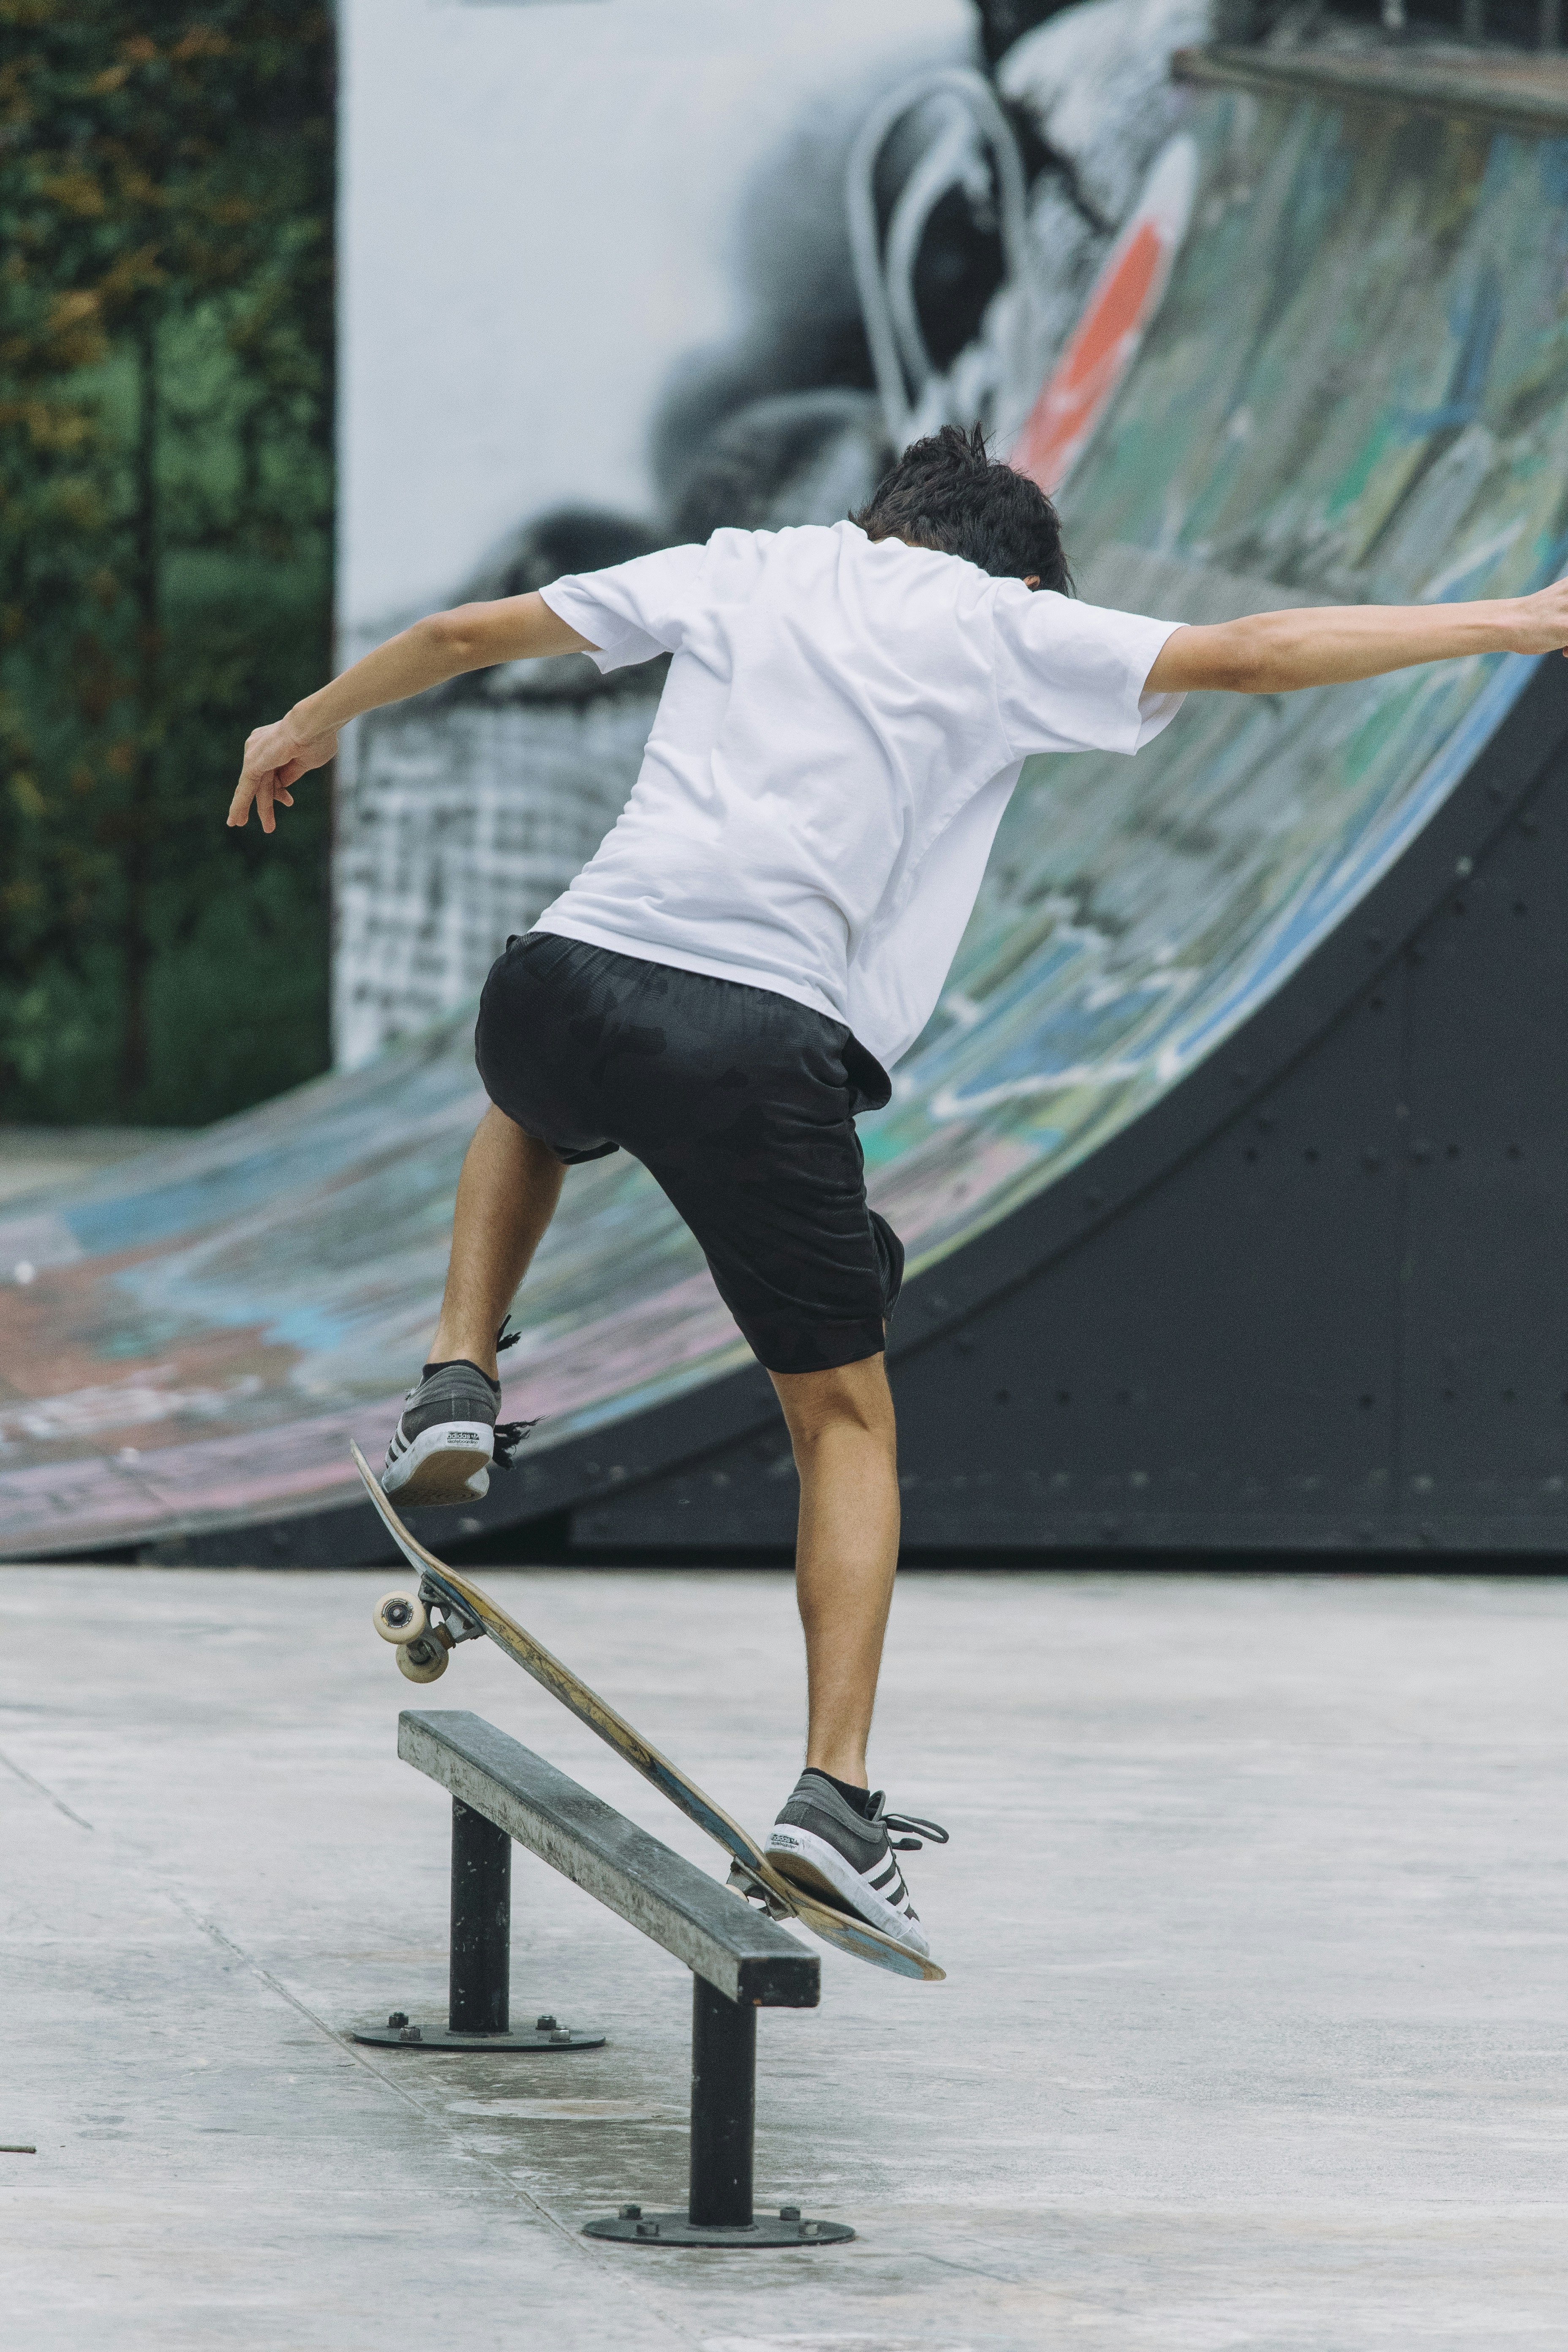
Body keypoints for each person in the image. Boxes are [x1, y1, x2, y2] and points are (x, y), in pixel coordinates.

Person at [229, 422, 1568, 1956]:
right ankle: (835, 1799)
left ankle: (457, 1376)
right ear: (1021, 566)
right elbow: (1257, 653)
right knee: (845, 1421)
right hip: (758, 1041)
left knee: (528, 1095)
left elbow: (468, 633)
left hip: (567, 978)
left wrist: (309, 720)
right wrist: (1521, 621)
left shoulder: (755, 566)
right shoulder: (1007, 626)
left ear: (882, 522)